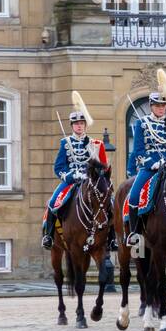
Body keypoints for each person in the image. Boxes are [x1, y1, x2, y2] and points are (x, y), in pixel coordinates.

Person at [43, 91, 111, 251]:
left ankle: (112, 238)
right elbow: (58, 167)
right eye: (76, 124)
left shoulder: (96, 144)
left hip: (91, 182)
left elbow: (104, 166)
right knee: (53, 203)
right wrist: (71, 176)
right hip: (71, 181)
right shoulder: (65, 143)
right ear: (72, 126)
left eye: (82, 123)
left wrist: (96, 174)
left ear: (86, 125)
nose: (79, 126)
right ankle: (48, 235)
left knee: (111, 202)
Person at [125, 71, 166, 247]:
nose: (161, 108)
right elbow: (138, 150)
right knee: (133, 196)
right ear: (151, 106)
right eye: (157, 105)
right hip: (149, 168)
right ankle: (134, 233)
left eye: (163, 105)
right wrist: (152, 163)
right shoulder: (141, 123)